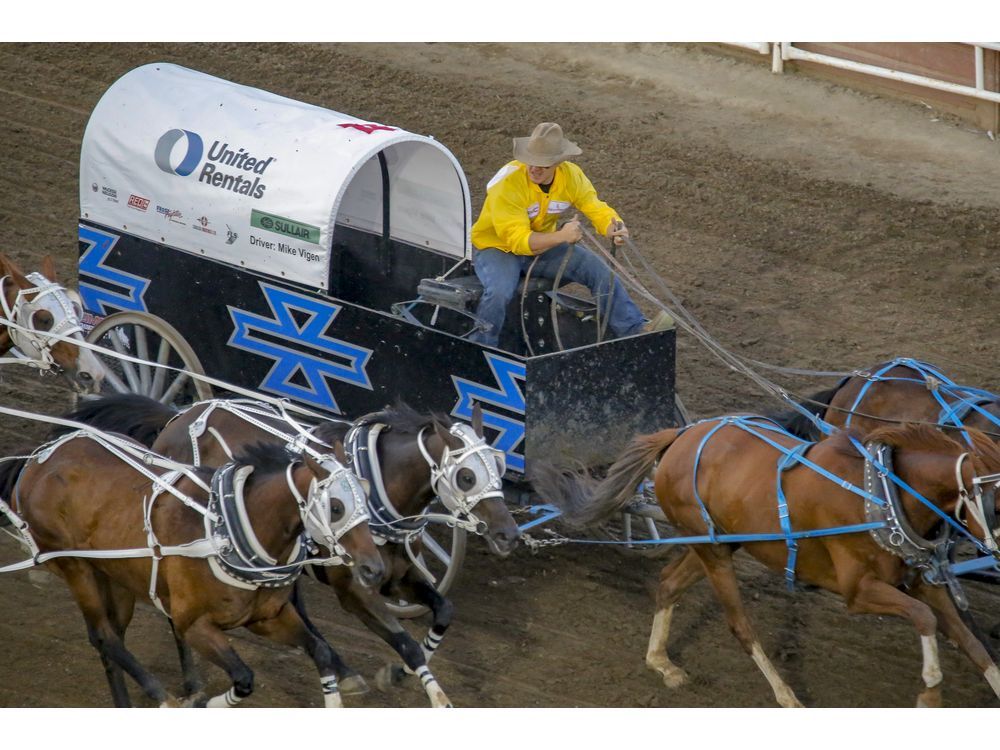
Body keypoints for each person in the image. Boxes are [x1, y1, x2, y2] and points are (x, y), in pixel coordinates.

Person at [468, 122, 652, 348]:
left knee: (597, 271)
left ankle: (633, 330)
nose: (534, 169)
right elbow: (517, 241)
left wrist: (612, 226)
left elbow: (593, 205)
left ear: (557, 163)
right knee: (498, 292)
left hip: (542, 246)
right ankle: (482, 346)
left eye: (542, 165)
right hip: (497, 248)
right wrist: (561, 237)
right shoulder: (507, 183)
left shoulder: (571, 177)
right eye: (531, 163)